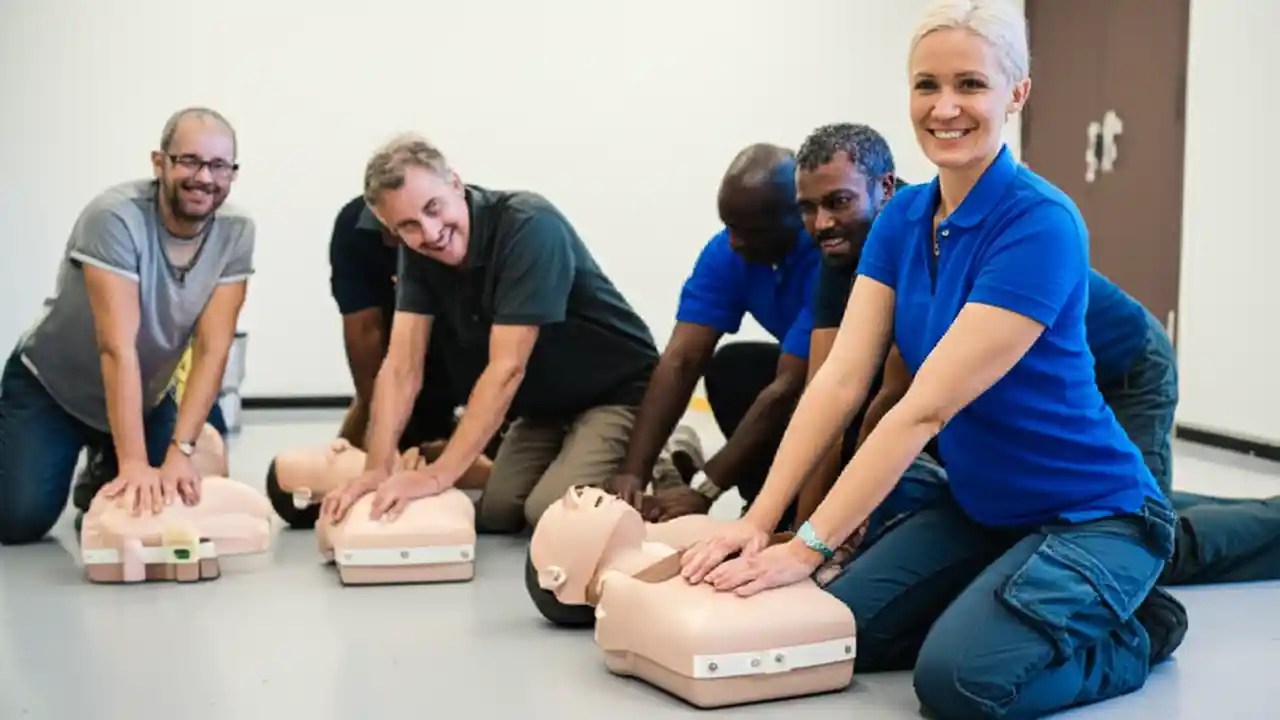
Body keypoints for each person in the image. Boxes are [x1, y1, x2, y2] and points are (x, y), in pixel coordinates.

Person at [679, 2, 1189, 717]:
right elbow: (842, 380)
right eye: (927, 85)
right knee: (841, 633)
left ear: (1017, 94)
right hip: (981, 505)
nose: (945, 108)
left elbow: (926, 406)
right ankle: (1011, 599)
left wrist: (811, 546)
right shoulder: (901, 219)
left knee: (959, 683)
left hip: (1090, 512)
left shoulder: (1040, 223)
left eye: (971, 85)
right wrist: (759, 522)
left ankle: (1135, 632)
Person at [320, 133, 663, 534]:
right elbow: (400, 365)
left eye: (434, 208)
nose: (430, 233)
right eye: (409, 225)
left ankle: (662, 452)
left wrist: (437, 475)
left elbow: (507, 368)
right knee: (497, 513)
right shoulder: (416, 253)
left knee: (547, 512)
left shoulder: (529, 226)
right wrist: (376, 468)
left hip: (616, 390)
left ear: (455, 184)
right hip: (545, 406)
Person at [0, 107, 254, 545]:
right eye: (189, 161)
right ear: (160, 163)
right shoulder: (114, 218)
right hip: (54, 390)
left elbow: (213, 348)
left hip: (146, 399)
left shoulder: (236, 231)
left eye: (218, 166)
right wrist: (135, 462)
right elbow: (117, 348)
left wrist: (181, 452)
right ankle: (104, 455)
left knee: (187, 492)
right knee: (18, 521)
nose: (204, 178)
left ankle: (104, 466)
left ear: (233, 173)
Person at [605, 144, 821, 529]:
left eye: (750, 231)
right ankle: (762, 501)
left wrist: (705, 489)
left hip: (857, 386)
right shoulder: (727, 251)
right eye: (729, 226)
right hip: (803, 374)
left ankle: (795, 506)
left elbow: (790, 386)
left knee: (804, 395)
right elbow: (680, 360)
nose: (735, 241)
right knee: (731, 368)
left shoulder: (828, 256)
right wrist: (632, 473)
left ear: (798, 215)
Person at [327, 194, 503, 459]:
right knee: (389, 434)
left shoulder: (471, 227)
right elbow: (363, 331)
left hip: (473, 341)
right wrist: (378, 415)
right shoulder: (357, 230)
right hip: (404, 351)